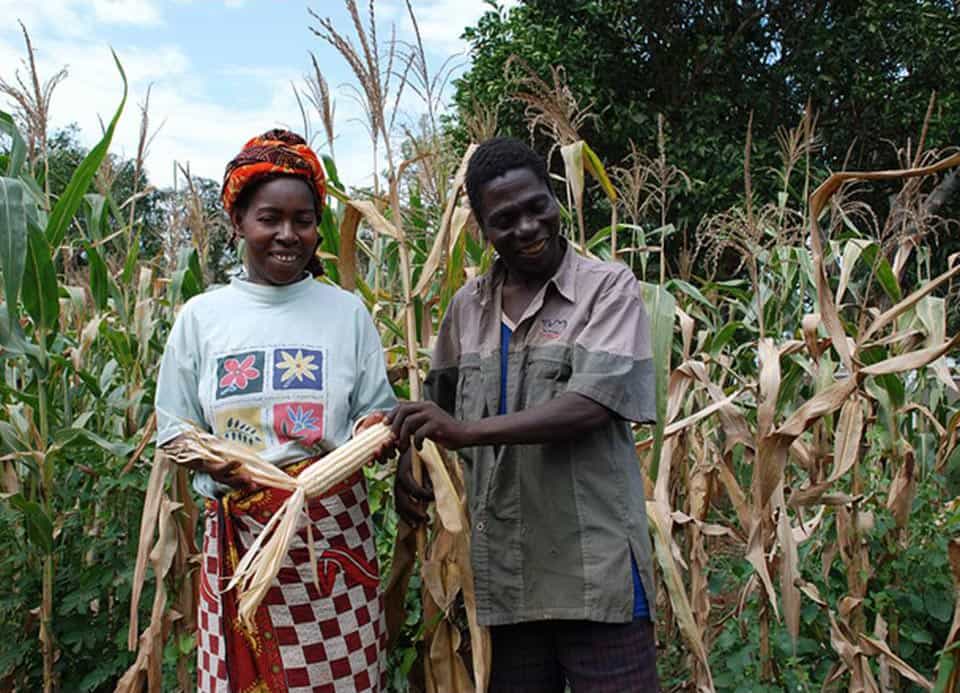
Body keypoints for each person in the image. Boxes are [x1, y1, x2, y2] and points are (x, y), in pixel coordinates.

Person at [390, 137, 660, 691]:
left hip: (595, 568)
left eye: (537, 206)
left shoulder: (607, 289)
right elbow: (431, 409)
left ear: (554, 197)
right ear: (482, 229)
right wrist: (411, 465)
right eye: (504, 218)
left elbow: (590, 405)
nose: (528, 227)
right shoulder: (468, 307)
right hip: (505, 576)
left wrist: (465, 433)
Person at [155, 129, 395, 693]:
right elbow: (175, 427)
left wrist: (371, 433)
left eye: (304, 220)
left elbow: (375, 413)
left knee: (340, 676)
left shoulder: (346, 313)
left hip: (330, 539)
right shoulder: (202, 317)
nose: (289, 235)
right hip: (239, 534)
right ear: (238, 221)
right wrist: (225, 468)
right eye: (270, 218)